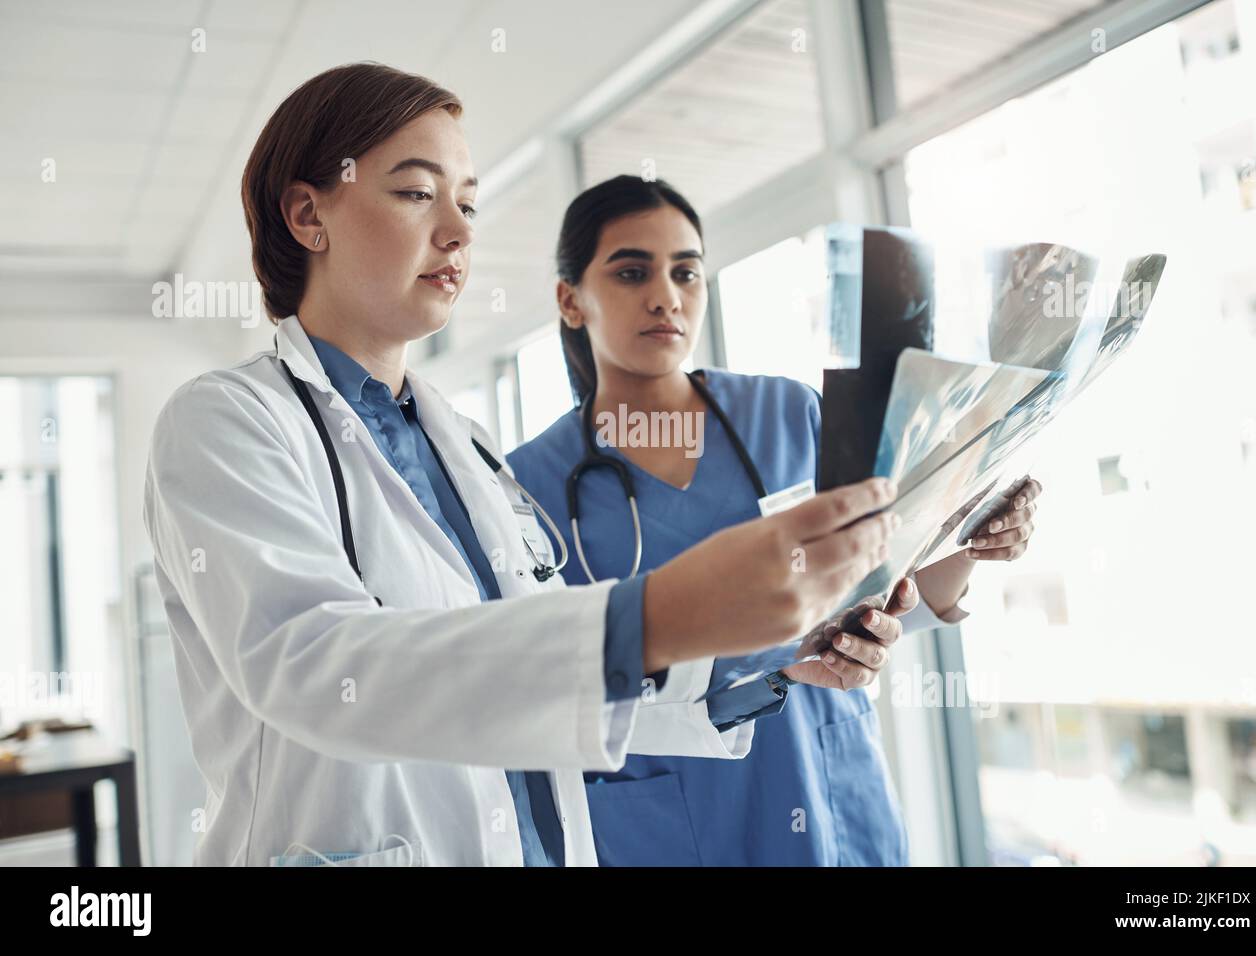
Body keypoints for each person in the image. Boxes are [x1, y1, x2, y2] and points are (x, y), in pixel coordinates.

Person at [142, 64, 907, 867]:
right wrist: (662, 612)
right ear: (308, 215)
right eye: (416, 193)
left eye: (468, 204)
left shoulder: (467, 448)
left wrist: (767, 652)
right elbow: (319, 668)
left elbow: (542, 688)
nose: (459, 232)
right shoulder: (225, 423)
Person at [506, 175, 1043, 866]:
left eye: (686, 272)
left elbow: (886, 589)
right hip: (669, 820)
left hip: (829, 789)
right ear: (570, 299)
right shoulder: (526, 486)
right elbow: (545, 690)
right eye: (632, 272)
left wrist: (972, 540)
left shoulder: (791, 414)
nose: (666, 296)